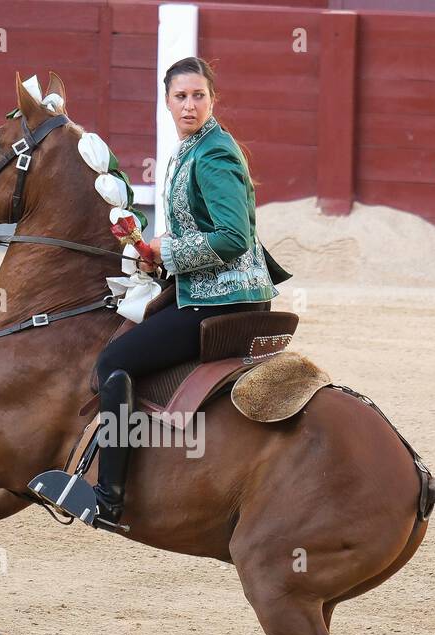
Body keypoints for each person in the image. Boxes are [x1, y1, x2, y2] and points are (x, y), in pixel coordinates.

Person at [92, 56, 292, 525]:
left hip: (225, 299)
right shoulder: (192, 148)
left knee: (113, 360)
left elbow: (233, 237)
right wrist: (154, 251)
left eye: (198, 96)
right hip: (209, 290)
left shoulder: (214, 153)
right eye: (180, 97)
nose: (189, 105)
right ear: (166, 102)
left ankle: (110, 497)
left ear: (212, 99)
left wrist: (167, 251)